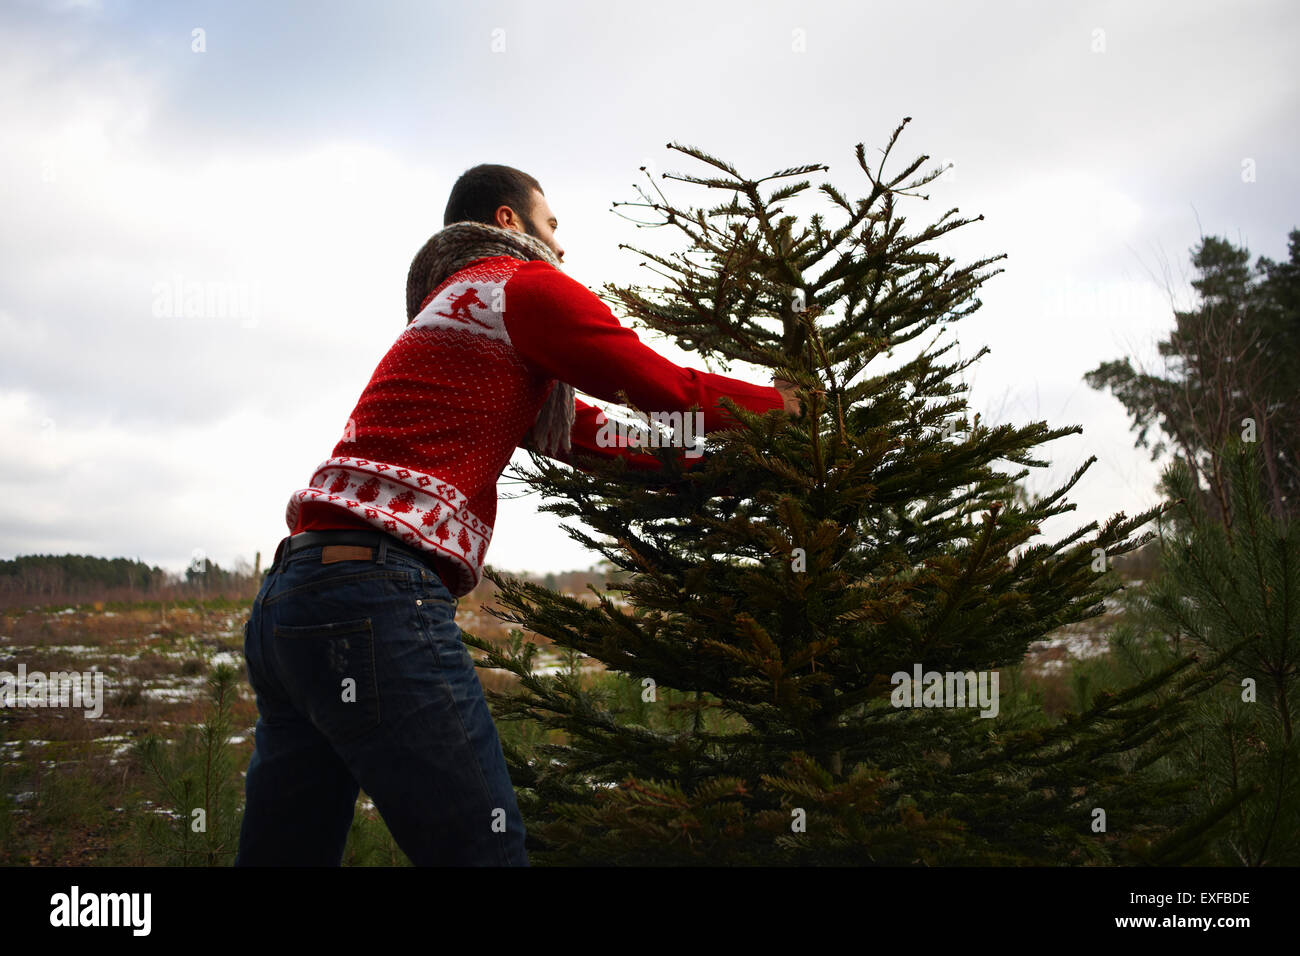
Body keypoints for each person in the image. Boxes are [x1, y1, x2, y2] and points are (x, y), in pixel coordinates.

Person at [234, 163, 801, 866]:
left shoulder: (453, 308)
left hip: (292, 601)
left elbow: (594, 436)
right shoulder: (520, 286)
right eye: (552, 224)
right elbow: (667, 389)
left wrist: (710, 466)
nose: (562, 247)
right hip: (373, 599)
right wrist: (784, 412)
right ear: (509, 221)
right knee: (483, 853)